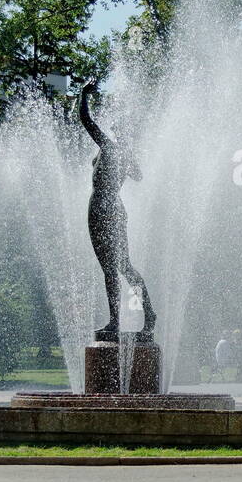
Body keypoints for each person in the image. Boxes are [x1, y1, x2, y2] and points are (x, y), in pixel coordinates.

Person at [79, 80, 155, 340]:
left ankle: (117, 320)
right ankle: (145, 314)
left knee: (113, 268)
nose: (114, 131)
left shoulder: (110, 147)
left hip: (102, 205)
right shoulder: (123, 153)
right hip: (114, 206)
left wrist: (83, 94)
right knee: (121, 266)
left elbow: (86, 120)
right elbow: (138, 176)